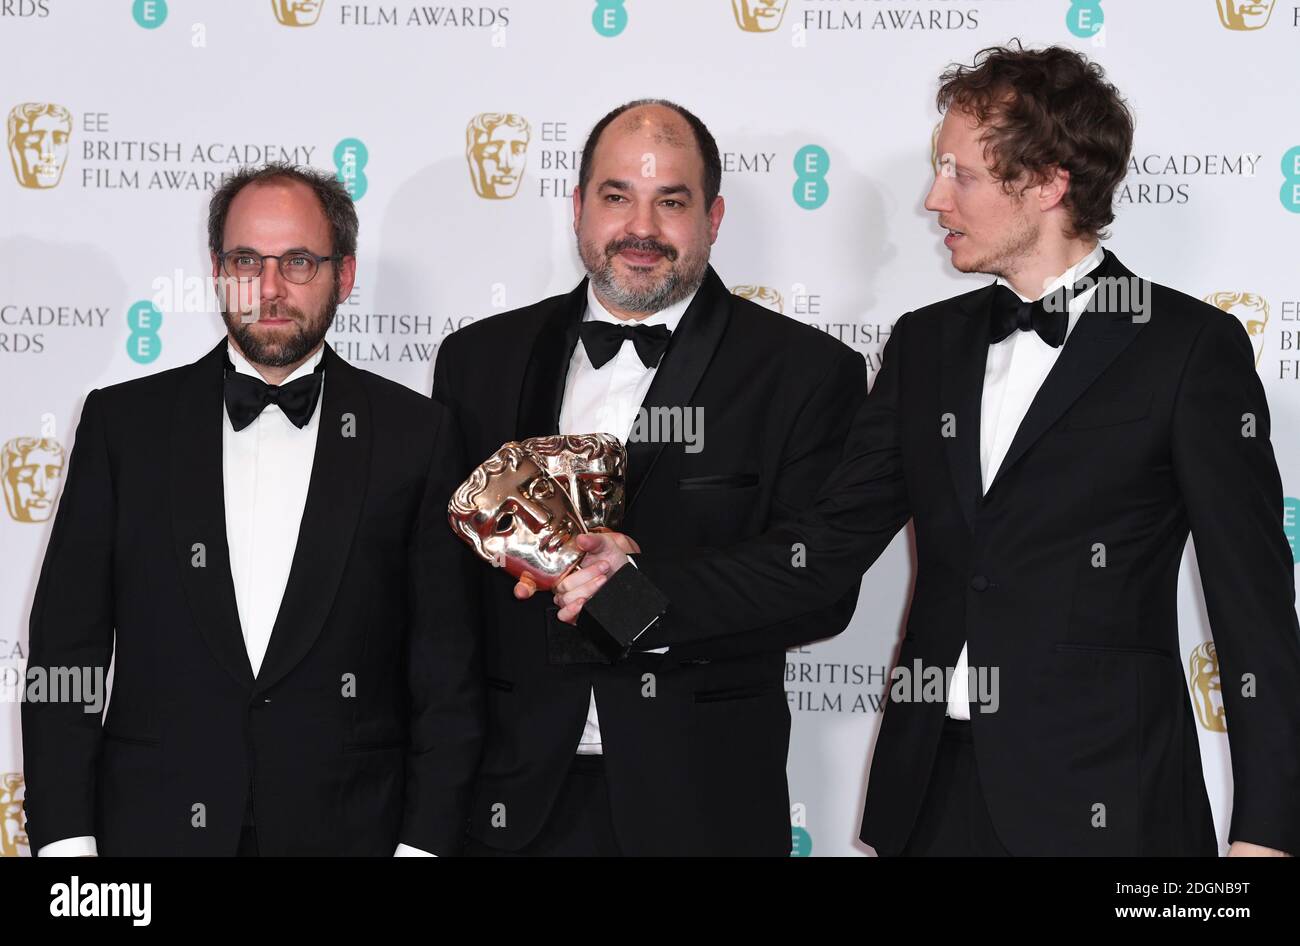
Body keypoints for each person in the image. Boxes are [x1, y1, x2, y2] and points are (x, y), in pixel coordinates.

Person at [559, 47, 1300, 857]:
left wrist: (1266, 837)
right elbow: (824, 550)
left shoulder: (1187, 349)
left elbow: (1252, 608)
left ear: (1048, 182)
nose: (933, 198)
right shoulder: (926, 346)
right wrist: (632, 588)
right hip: (930, 800)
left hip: (1111, 803)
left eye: (961, 174)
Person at [433, 99, 867, 856]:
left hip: (702, 801)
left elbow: (819, 588)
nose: (642, 228)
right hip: (511, 797)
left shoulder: (804, 372)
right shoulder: (477, 361)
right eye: (616, 197)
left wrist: (636, 598)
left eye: (672, 200)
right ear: (577, 209)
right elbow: (443, 594)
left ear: (715, 215)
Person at [22, 163, 481, 856]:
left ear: (344, 275)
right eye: (246, 261)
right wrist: (66, 848)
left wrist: (421, 849)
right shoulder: (125, 427)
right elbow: (66, 651)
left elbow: (445, 673)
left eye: (298, 262)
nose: (269, 289)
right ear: (216, 271)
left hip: (350, 832)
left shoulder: (417, 437)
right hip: (151, 838)